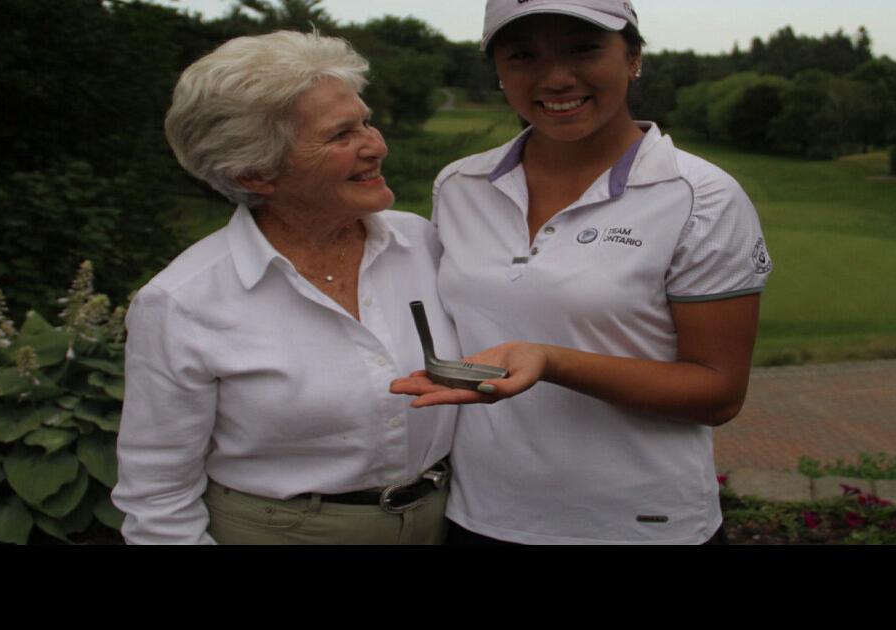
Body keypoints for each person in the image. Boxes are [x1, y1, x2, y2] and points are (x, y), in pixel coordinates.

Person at [391, 0, 773, 544]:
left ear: (633, 57)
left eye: (583, 48)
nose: (555, 77)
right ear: (500, 71)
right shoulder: (458, 186)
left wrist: (549, 361)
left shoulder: (700, 196)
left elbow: (718, 394)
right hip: (480, 515)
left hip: (639, 524)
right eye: (523, 55)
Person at [112, 31, 461, 544]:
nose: (376, 145)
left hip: (440, 519)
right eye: (342, 135)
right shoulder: (181, 302)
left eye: (365, 121)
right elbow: (157, 495)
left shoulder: (423, 243)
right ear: (257, 173)